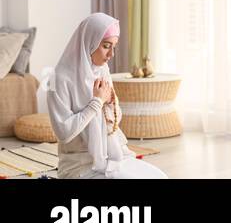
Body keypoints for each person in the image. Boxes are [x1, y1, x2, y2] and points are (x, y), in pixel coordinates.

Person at [48, 13, 166, 179]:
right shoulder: (58, 78)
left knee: (159, 177)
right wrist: (96, 102)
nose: (111, 54)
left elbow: (115, 122)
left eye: (114, 47)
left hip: (112, 155)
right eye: (106, 46)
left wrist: (111, 104)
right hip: (79, 165)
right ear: (89, 42)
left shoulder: (102, 69)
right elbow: (64, 133)